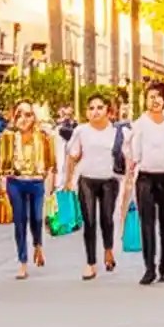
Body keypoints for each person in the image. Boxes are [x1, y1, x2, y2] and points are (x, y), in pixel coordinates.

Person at [127, 81, 164, 285]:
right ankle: (149, 267)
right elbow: (133, 153)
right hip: (146, 177)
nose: (155, 101)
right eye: (151, 96)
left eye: (159, 96)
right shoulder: (139, 124)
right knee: (147, 223)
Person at [0, 101, 57, 280]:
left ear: (34, 116)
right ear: (14, 116)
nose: (23, 119)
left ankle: (38, 244)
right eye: (19, 114)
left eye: (28, 114)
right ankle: (23, 261)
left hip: (36, 182)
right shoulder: (7, 136)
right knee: (20, 221)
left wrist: (51, 187)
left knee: (36, 218)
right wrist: (0, 182)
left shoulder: (44, 136)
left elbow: (52, 163)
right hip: (15, 181)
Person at [64, 94, 123, 280]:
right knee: (89, 221)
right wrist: (67, 180)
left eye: (99, 107)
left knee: (107, 218)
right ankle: (90, 263)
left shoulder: (116, 133)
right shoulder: (81, 131)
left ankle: (108, 250)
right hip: (87, 180)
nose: (95, 112)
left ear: (108, 111)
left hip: (109, 181)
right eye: (91, 108)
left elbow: (127, 157)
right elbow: (72, 156)